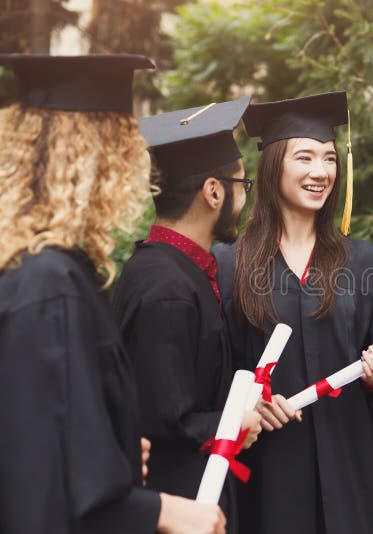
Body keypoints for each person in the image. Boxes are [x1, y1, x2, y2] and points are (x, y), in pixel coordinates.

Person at [0, 53, 225, 534]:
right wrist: (165, 512)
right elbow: (38, 488)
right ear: (96, 155)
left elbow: (40, 431)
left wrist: (117, 443)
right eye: (125, 146)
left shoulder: (35, 268)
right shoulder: (50, 287)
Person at [213, 91, 373, 534]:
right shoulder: (230, 263)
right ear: (273, 165)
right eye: (304, 158)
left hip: (346, 466)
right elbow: (214, 367)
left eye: (328, 158)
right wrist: (249, 405)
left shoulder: (361, 261)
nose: (321, 171)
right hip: (266, 469)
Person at [112, 97, 262, 528]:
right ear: (213, 192)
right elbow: (161, 421)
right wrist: (233, 422)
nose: (243, 199)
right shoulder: (168, 289)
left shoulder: (169, 268)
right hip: (175, 502)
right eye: (241, 185)